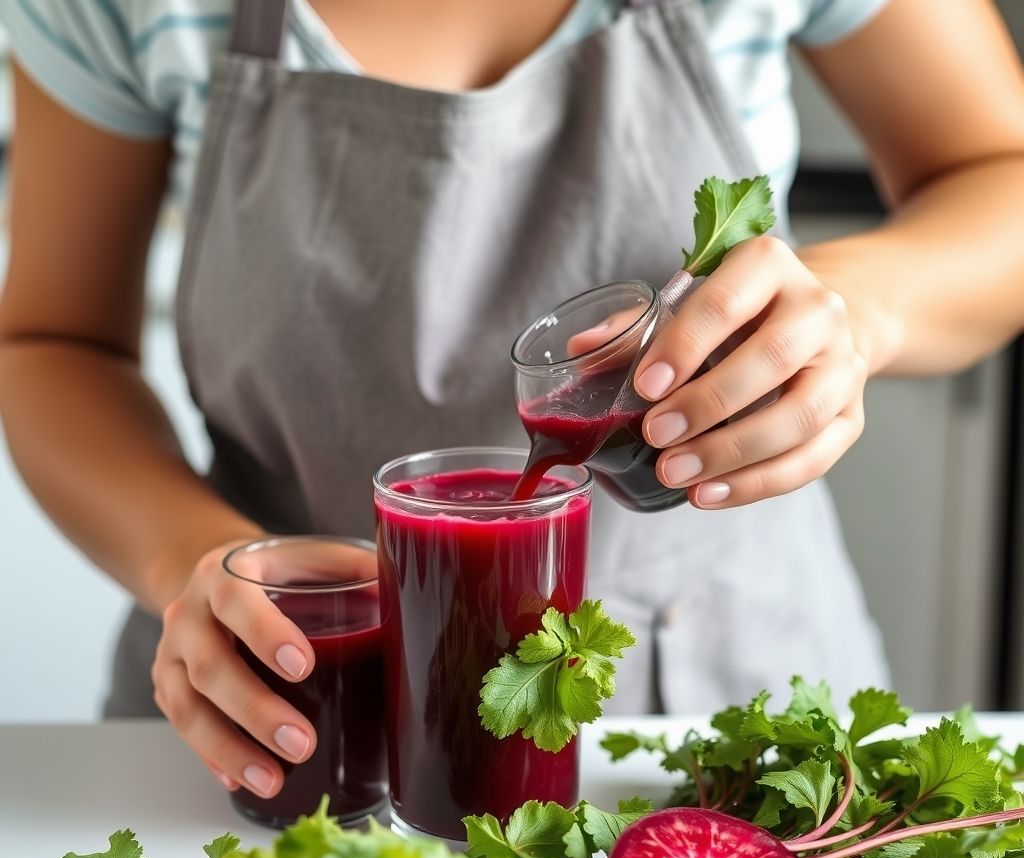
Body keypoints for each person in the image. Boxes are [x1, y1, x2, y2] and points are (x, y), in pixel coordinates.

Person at [1, 0, 1022, 801]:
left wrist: (859, 308)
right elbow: (53, 341)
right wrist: (188, 557)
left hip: (707, 704)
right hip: (291, 712)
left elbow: (999, 176)